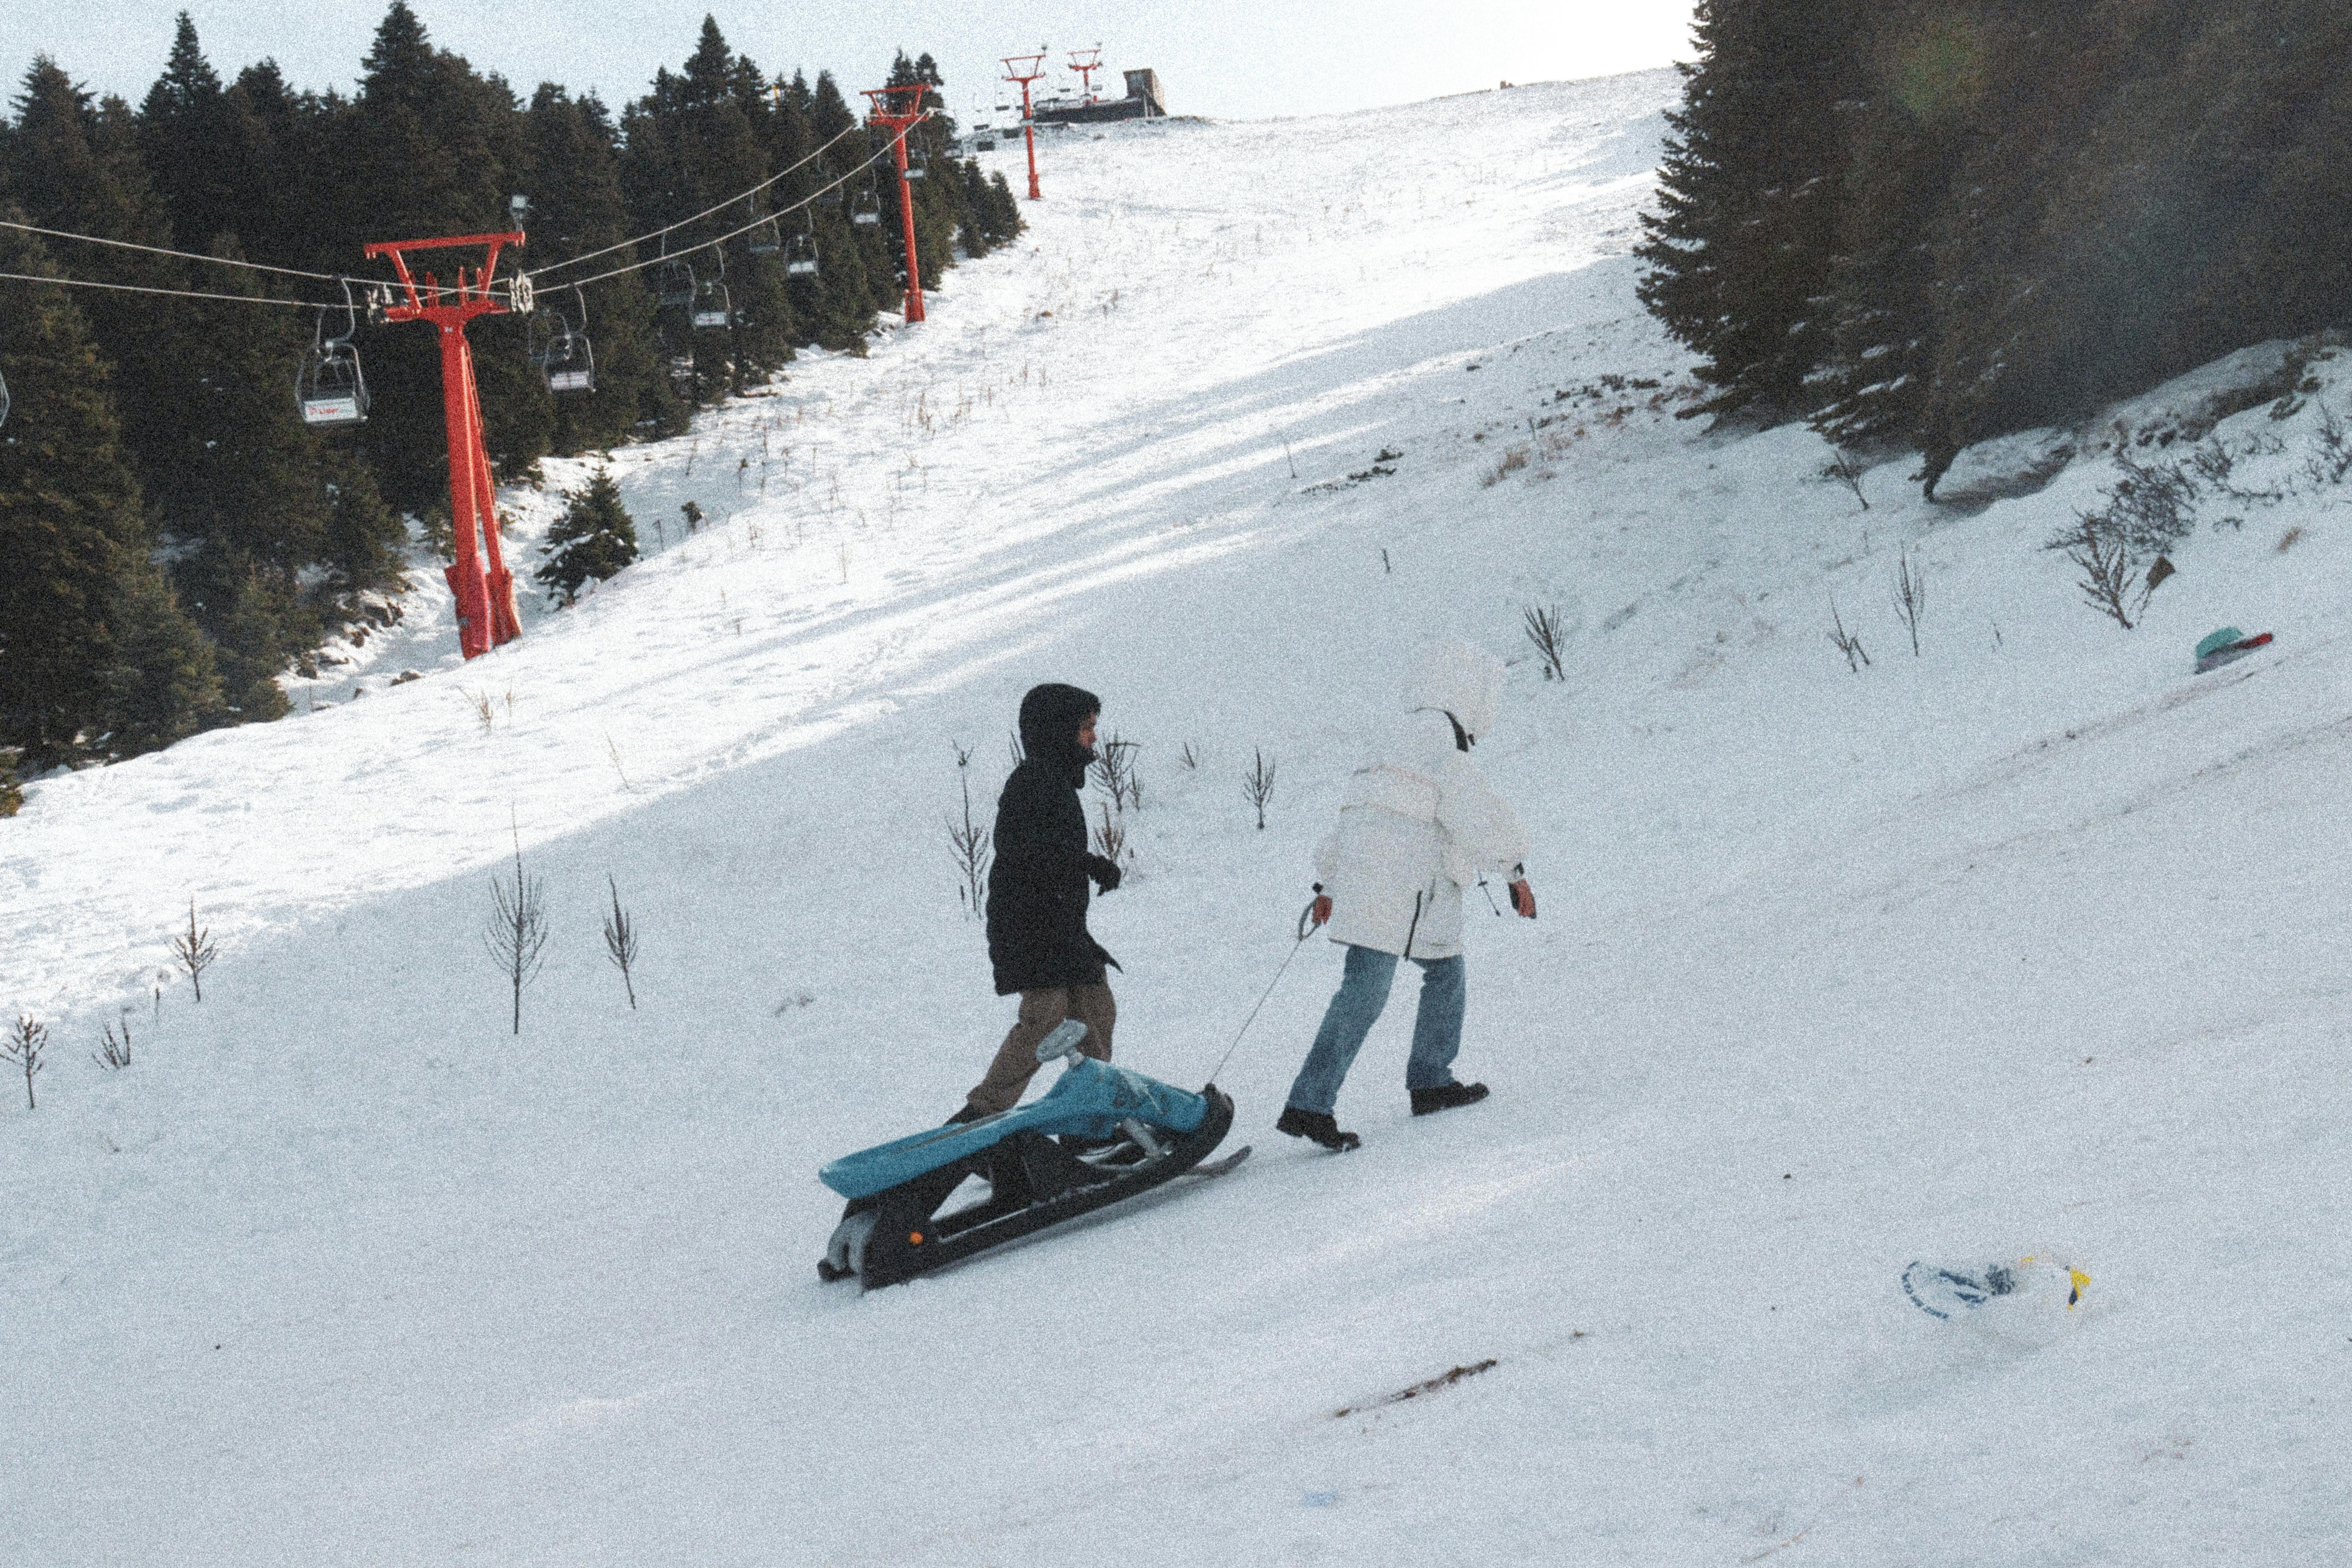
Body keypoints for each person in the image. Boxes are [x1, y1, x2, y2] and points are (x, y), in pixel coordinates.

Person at [1277, 641, 1535, 1151]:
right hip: (1406, 893)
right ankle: (1313, 1103)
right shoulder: (1443, 746)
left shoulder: (1389, 743)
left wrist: (1330, 885)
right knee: (1369, 995)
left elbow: (1355, 820)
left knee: (1440, 974)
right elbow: (1476, 818)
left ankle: (1430, 1081)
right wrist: (1515, 874)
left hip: (1388, 891)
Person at [952, 682, 1127, 1122]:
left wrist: (1087, 864)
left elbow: (1047, 849)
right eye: (1085, 727)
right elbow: (1022, 849)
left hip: (1060, 927)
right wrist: (1084, 862)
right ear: (1057, 732)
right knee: (1045, 1020)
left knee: (1096, 1009)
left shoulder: (1054, 783)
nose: (1092, 738)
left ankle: (1092, 1119)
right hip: (1032, 928)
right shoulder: (1032, 783)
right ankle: (978, 1120)